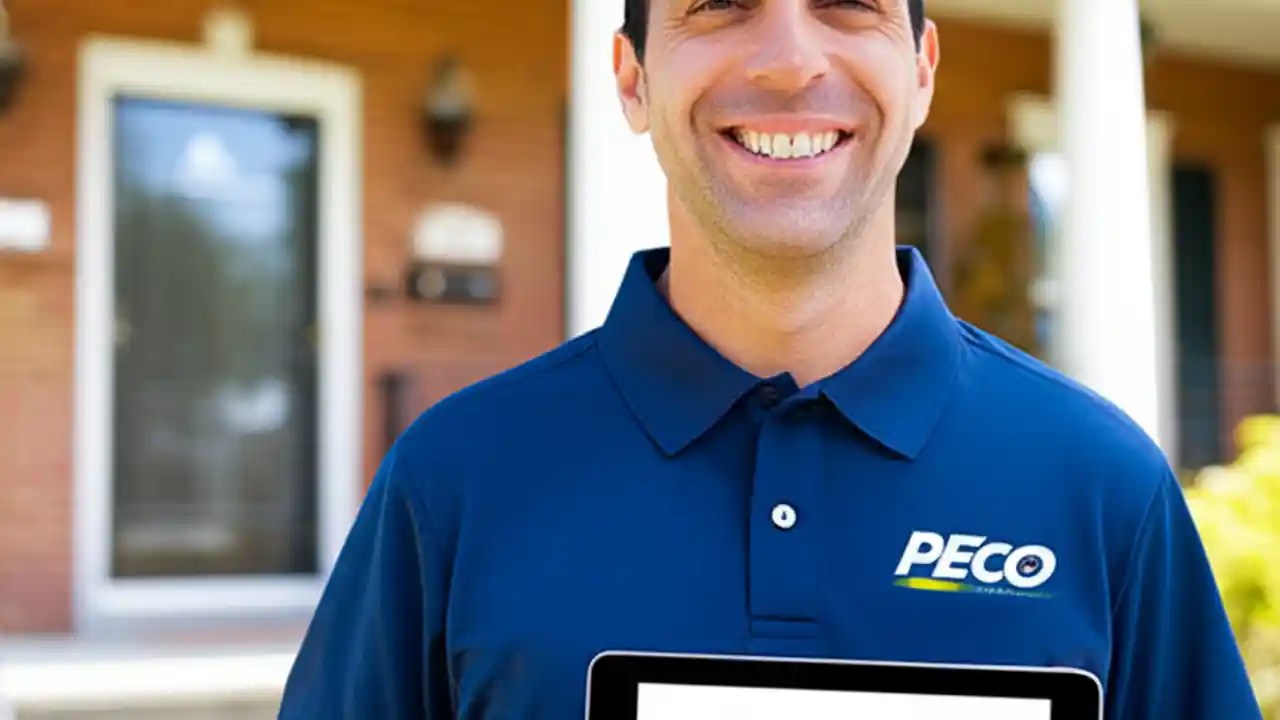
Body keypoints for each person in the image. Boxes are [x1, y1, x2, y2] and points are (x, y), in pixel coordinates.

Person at [279, 1, 1263, 717]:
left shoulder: (1098, 485)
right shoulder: (455, 478)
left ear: (921, 71)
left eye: (845, 5)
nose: (790, 60)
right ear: (630, 78)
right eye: (721, 5)